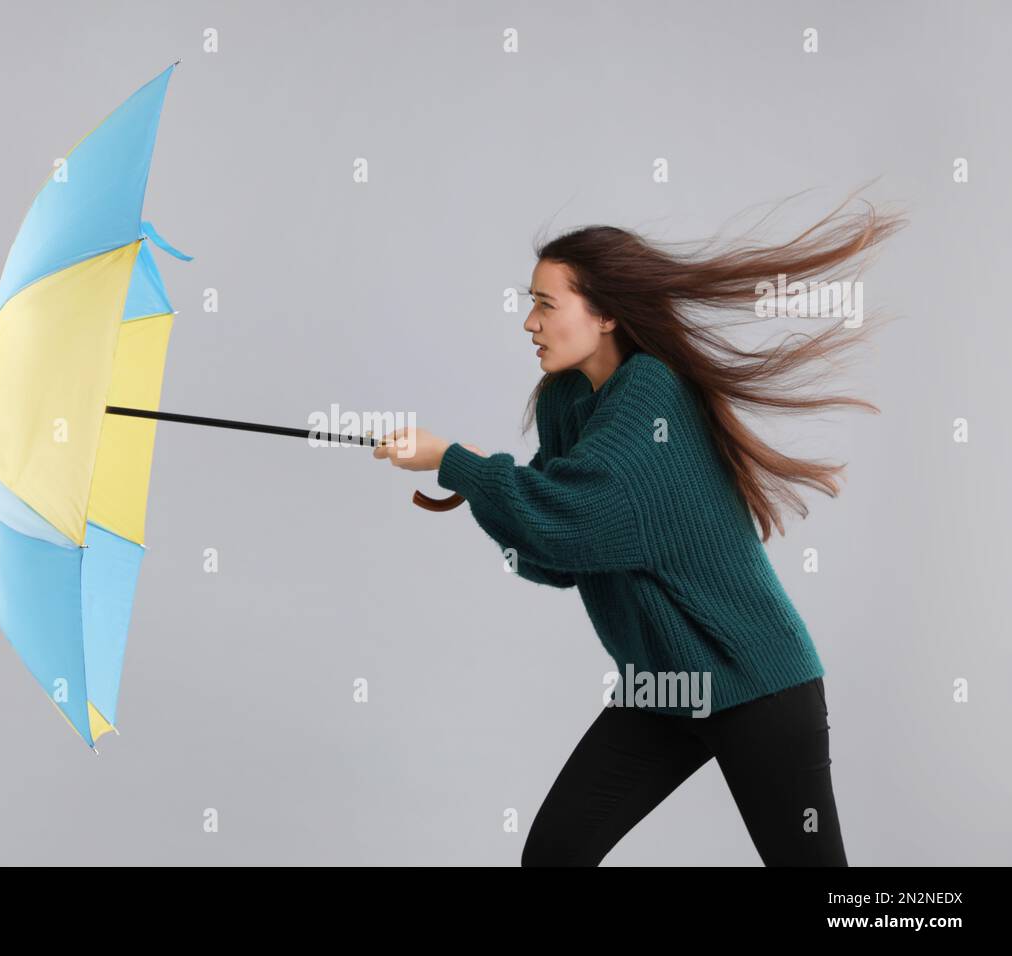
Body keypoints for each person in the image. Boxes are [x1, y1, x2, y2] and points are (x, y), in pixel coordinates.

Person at [372, 188, 906, 865]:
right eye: (530, 304)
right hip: (665, 689)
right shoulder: (568, 400)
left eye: (545, 304)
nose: (529, 323)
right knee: (555, 856)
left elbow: (567, 520)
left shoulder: (651, 393)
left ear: (605, 314)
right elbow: (556, 556)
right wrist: (472, 476)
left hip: (755, 683)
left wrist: (456, 463)